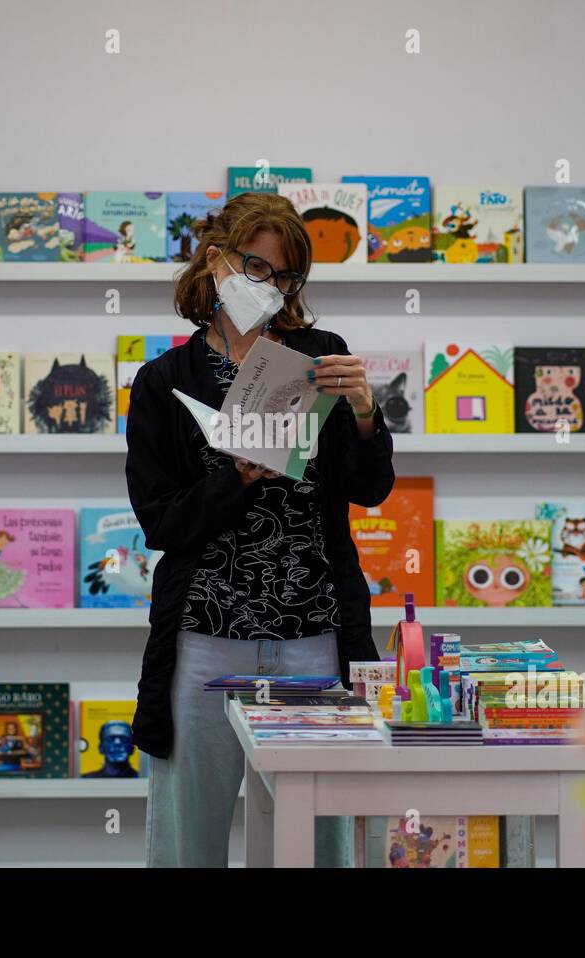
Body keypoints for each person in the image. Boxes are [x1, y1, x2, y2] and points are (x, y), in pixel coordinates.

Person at [124, 192, 395, 867]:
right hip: (206, 643)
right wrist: (237, 474)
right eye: (254, 267)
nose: (268, 287)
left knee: (323, 840)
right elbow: (160, 521)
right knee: (189, 840)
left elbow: (370, 487)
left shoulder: (321, 356)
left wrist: (364, 411)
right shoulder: (163, 382)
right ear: (216, 262)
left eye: (284, 276)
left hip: (313, 640)